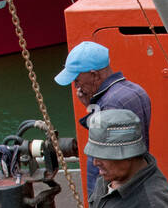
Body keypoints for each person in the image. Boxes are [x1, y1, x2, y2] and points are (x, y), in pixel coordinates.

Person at [54, 41, 152, 195]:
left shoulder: (109, 104)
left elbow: (106, 156)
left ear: (94, 75)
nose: (76, 87)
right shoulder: (136, 90)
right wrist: (91, 104)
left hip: (117, 191)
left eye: (77, 80)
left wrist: (97, 198)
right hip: (138, 180)